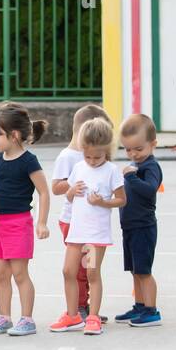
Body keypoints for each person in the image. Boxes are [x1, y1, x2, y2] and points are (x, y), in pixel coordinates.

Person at [0, 102, 51, 337]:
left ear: (14, 135)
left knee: (19, 274)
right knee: (0, 273)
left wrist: (41, 222)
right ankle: (4, 317)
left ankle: (26, 319)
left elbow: (44, 192)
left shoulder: (29, 161)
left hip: (19, 224)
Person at [52, 117, 126, 336]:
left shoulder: (111, 171)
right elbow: (68, 195)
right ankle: (73, 314)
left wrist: (102, 202)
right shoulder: (78, 167)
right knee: (68, 271)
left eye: (97, 156)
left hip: (95, 235)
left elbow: (121, 200)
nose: (92, 161)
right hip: (77, 232)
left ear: (107, 150)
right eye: (88, 156)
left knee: (92, 272)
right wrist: (71, 192)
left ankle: (93, 316)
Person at [51, 104, 110, 321]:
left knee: (89, 269)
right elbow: (55, 187)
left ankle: (88, 307)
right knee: (77, 270)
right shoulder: (68, 157)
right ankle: (78, 307)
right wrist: (71, 187)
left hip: (92, 222)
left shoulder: (96, 155)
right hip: (71, 222)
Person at [114, 114, 163, 327]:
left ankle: (151, 311)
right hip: (130, 226)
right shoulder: (134, 165)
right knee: (135, 269)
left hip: (144, 226)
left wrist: (132, 177)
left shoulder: (150, 167)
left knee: (144, 271)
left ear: (153, 144)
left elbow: (150, 189)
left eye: (139, 149)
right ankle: (140, 305)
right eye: (128, 149)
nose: (133, 154)